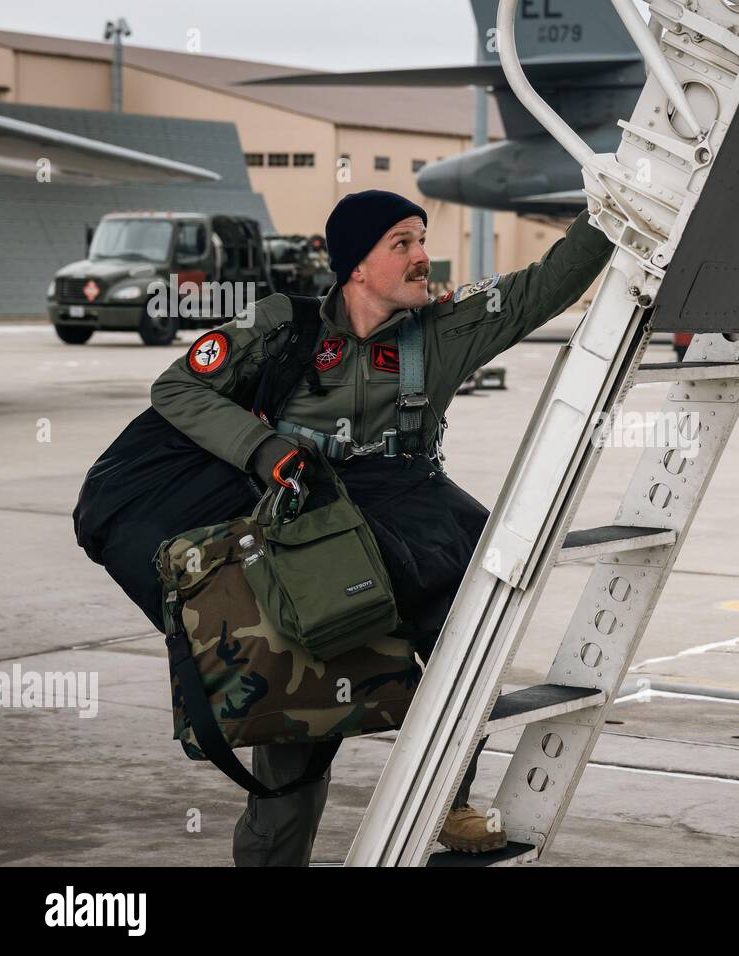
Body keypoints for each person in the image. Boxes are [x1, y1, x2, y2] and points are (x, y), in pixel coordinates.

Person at [148, 189, 614, 864]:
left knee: (465, 659)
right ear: (356, 265)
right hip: (310, 532)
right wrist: (262, 447)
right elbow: (177, 389)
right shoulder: (281, 325)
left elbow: (544, 286)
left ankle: (448, 800)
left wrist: (611, 208)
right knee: (294, 741)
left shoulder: (444, 328)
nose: (424, 256)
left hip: (418, 517)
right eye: (403, 243)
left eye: (422, 239)